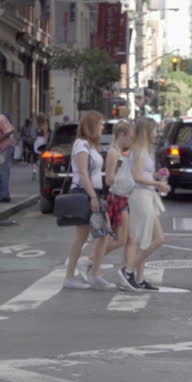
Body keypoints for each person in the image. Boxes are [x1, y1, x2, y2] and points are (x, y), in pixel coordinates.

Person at [62, 111, 115, 290]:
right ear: (92, 125)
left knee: (97, 234)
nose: (102, 127)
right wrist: (92, 196)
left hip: (92, 192)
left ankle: (89, 273)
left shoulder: (91, 145)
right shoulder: (82, 144)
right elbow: (83, 172)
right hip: (85, 193)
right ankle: (84, 275)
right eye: (100, 124)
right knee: (89, 235)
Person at [119, 117, 170, 292]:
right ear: (147, 131)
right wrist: (159, 184)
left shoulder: (146, 150)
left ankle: (139, 278)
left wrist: (156, 175)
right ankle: (128, 270)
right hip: (140, 196)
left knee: (151, 239)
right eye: (154, 130)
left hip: (148, 195)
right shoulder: (139, 151)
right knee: (150, 239)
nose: (157, 133)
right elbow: (137, 177)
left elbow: (144, 175)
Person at [89, 120, 135, 288]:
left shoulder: (119, 152)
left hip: (122, 196)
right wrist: (121, 170)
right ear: (122, 135)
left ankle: (95, 264)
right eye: (130, 137)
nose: (131, 140)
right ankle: (91, 261)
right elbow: (109, 179)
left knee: (126, 238)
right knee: (121, 239)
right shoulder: (114, 153)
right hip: (117, 197)